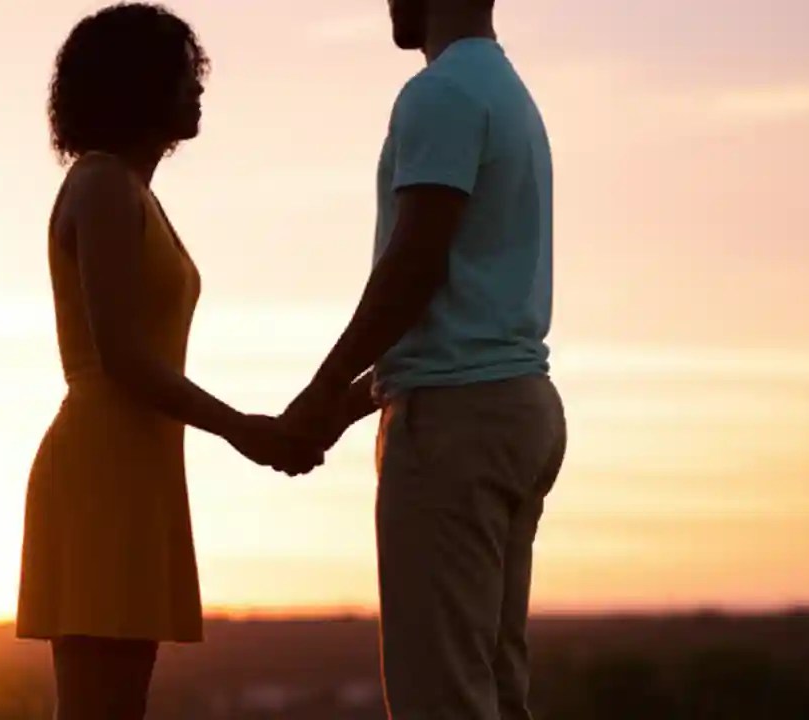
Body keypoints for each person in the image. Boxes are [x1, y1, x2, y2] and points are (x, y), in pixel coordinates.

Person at [15, 5, 321, 718]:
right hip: (102, 467)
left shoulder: (131, 191)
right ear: (139, 82)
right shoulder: (101, 185)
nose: (200, 88)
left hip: (139, 465)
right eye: (186, 74)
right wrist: (243, 427)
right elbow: (121, 356)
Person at [282, 1, 567, 718]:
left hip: (455, 427)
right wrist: (347, 407)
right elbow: (464, 302)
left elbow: (415, 265)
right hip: (514, 406)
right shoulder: (505, 91)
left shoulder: (441, 93)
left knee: (442, 698)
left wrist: (318, 394)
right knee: (493, 688)